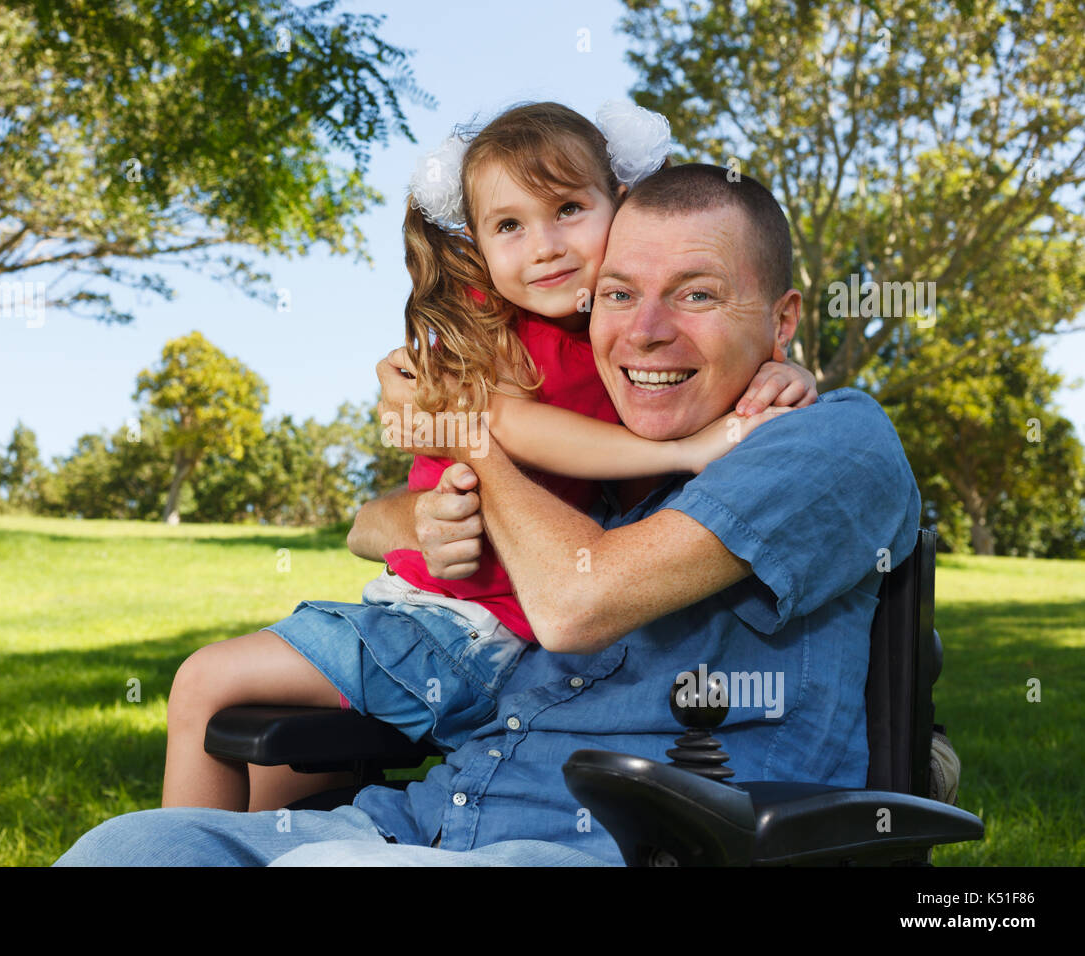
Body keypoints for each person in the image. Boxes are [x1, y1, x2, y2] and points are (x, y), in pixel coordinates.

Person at [55, 162, 920, 866]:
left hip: (621, 845)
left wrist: (470, 425)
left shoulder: (831, 437)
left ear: (781, 321)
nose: (646, 331)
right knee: (136, 845)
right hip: (419, 822)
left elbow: (576, 601)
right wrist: (428, 514)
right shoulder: (601, 446)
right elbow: (372, 524)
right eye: (617, 295)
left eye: (696, 295)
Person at [159, 102, 816, 812]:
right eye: (510, 225)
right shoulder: (496, 327)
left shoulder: (622, 339)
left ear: (619, 205)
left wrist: (782, 379)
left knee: (202, 682)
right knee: (268, 791)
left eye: (568, 208)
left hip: (461, 630)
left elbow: (507, 425)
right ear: (475, 241)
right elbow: (480, 437)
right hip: (431, 610)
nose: (545, 246)